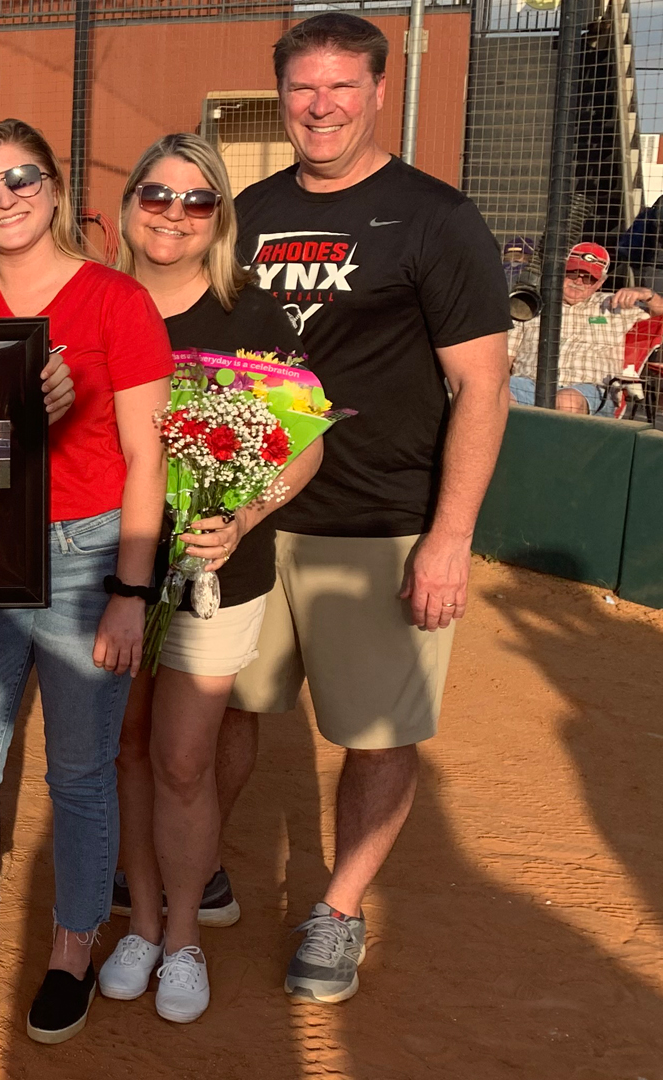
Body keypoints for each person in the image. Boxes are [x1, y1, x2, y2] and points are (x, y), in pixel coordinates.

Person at [230, 12, 509, 1005]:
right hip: (257, 517)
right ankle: (205, 867)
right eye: (305, 87)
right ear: (282, 96)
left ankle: (340, 908)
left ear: (380, 91)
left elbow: (482, 385)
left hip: (382, 525)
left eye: (343, 85)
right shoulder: (250, 210)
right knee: (224, 706)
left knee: (378, 730)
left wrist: (449, 537)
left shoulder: (436, 218)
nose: (322, 105)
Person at [0, 117, 171, 1045]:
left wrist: (130, 590)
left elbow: (145, 455)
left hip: (86, 554)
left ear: (54, 184)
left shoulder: (116, 299)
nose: (4, 196)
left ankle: (73, 943)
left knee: (78, 773)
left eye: (20, 177)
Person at [101, 133, 323, 1024]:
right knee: (127, 749)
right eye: (157, 195)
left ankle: (186, 933)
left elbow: (305, 441)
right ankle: (143, 924)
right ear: (129, 205)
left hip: (215, 571)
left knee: (183, 760)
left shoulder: (252, 314)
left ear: (220, 217)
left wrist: (243, 518)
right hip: (112, 566)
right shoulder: (100, 304)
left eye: (198, 201)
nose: (174, 214)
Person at [506, 242, 663, 413]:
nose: (578, 281)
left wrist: (648, 295)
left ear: (600, 282)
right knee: (498, 395)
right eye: (572, 273)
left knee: (567, 402)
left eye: (588, 277)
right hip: (529, 383)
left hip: (590, 389)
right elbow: (506, 356)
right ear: (560, 272)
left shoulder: (614, 305)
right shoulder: (530, 303)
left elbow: (660, 315)